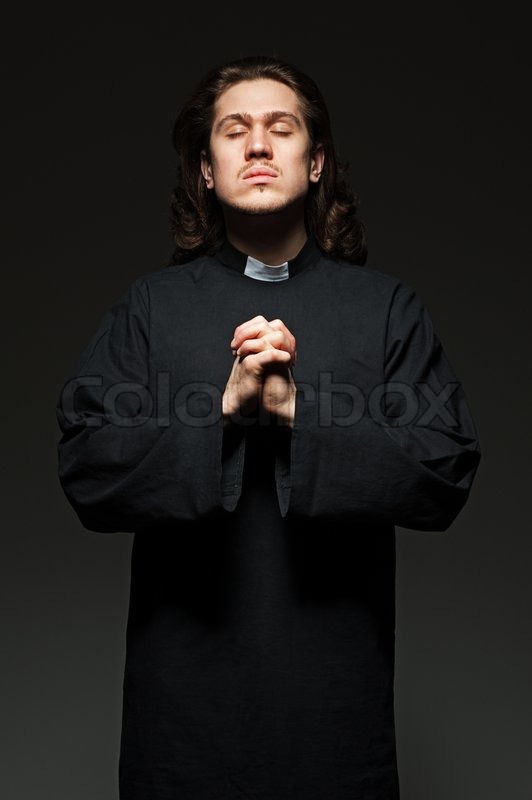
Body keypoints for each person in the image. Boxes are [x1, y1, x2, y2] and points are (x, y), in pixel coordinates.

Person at [56, 55, 481, 800]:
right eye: (234, 131)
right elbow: (87, 466)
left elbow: (444, 471)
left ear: (316, 164)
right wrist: (222, 409)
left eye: (282, 130)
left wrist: (294, 411)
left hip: (336, 717)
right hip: (181, 722)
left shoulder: (386, 310)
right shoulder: (150, 310)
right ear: (205, 170)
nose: (258, 146)